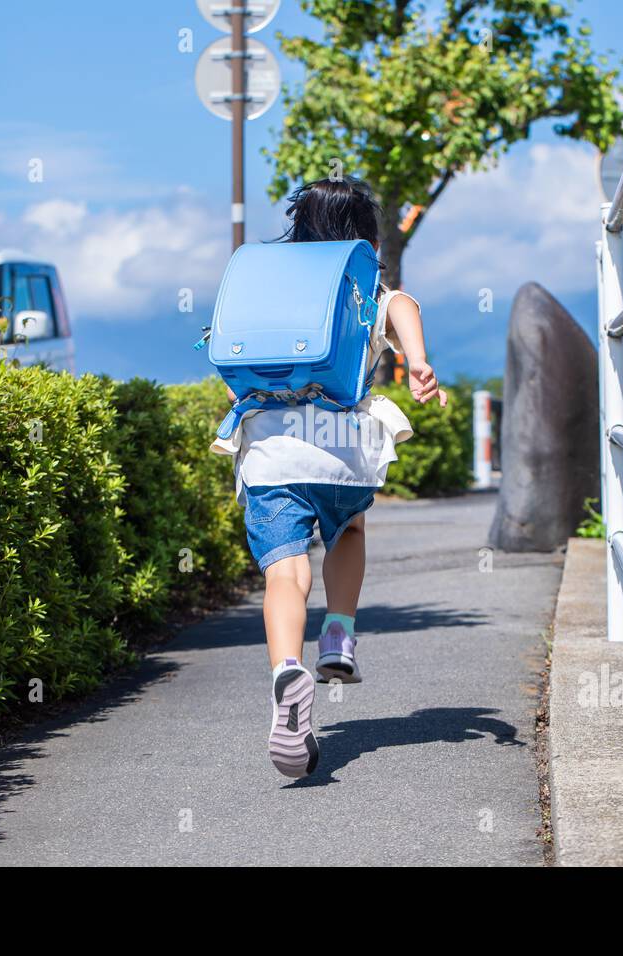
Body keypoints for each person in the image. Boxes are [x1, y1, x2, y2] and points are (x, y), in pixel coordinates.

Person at [211, 177, 447, 779]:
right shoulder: (365, 287)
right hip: (339, 451)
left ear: (301, 226)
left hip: (271, 449)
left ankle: (287, 668)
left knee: (285, 571)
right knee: (350, 533)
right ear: (365, 234)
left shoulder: (269, 280)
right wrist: (416, 360)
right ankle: (338, 633)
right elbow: (403, 305)